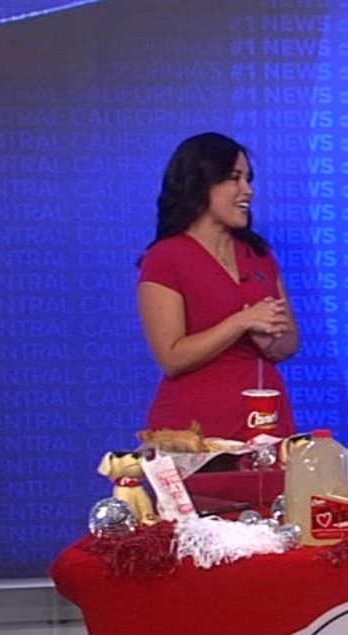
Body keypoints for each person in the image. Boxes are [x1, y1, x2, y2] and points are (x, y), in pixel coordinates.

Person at [137, 132, 299, 441]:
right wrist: (240, 322)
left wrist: (269, 342)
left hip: (264, 421)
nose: (247, 191)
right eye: (234, 179)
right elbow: (171, 357)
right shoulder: (165, 257)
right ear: (201, 183)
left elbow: (290, 343)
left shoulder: (259, 255)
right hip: (195, 428)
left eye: (248, 179)